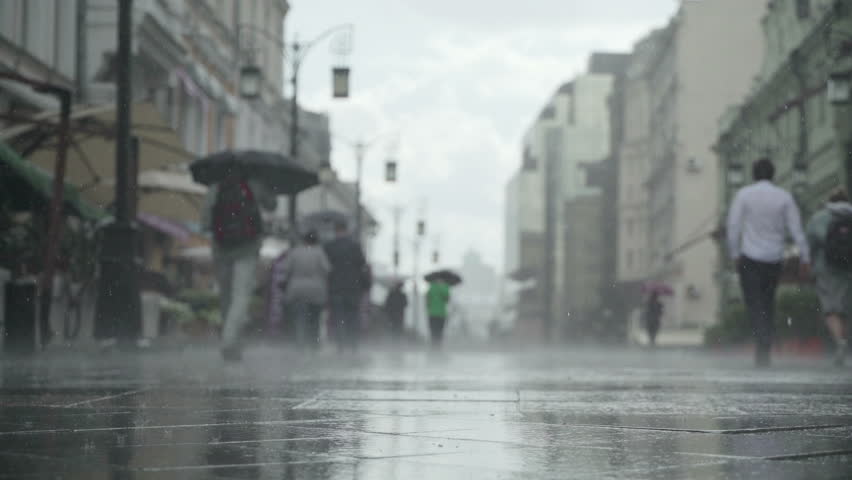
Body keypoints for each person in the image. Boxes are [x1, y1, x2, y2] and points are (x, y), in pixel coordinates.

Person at [726, 158, 810, 367]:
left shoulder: (744, 195)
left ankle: (761, 339)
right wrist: (805, 257)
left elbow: (734, 226)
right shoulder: (784, 197)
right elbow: (797, 229)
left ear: (753, 174)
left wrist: (734, 253)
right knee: (768, 300)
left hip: (749, 258)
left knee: (753, 302)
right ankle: (766, 340)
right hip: (774, 258)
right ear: (773, 174)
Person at [202, 171, 276, 361]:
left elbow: (205, 220)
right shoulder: (255, 182)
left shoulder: (216, 186)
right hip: (248, 246)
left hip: (221, 247)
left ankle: (232, 341)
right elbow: (272, 205)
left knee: (226, 295)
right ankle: (230, 341)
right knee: (241, 295)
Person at [806, 190, 852, 367]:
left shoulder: (820, 217)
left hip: (826, 267)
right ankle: (844, 339)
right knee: (845, 306)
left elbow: (810, 243)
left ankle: (839, 341)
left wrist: (808, 264)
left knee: (830, 307)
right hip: (848, 266)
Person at [280, 231, 331, 349]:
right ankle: (313, 344)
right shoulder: (319, 252)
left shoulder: (295, 252)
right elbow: (327, 270)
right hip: (316, 289)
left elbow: (286, 270)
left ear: (304, 240)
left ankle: (300, 343)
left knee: (299, 317)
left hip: (296, 288)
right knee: (315, 319)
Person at [324, 221, 369, 351]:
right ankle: (352, 343)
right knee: (352, 317)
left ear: (335, 231)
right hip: (353, 287)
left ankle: (340, 345)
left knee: (338, 317)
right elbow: (362, 265)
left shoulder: (329, 247)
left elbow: (326, 267)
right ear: (346, 230)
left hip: (335, 287)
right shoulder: (355, 246)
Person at [426, 278, 451, 347]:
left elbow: (427, 300)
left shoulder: (431, 288)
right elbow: (447, 299)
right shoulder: (445, 287)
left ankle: (433, 346)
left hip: (432, 313)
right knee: (439, 331)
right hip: (441, 314)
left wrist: (428, 307)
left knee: (433, 330)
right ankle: (438, 346)